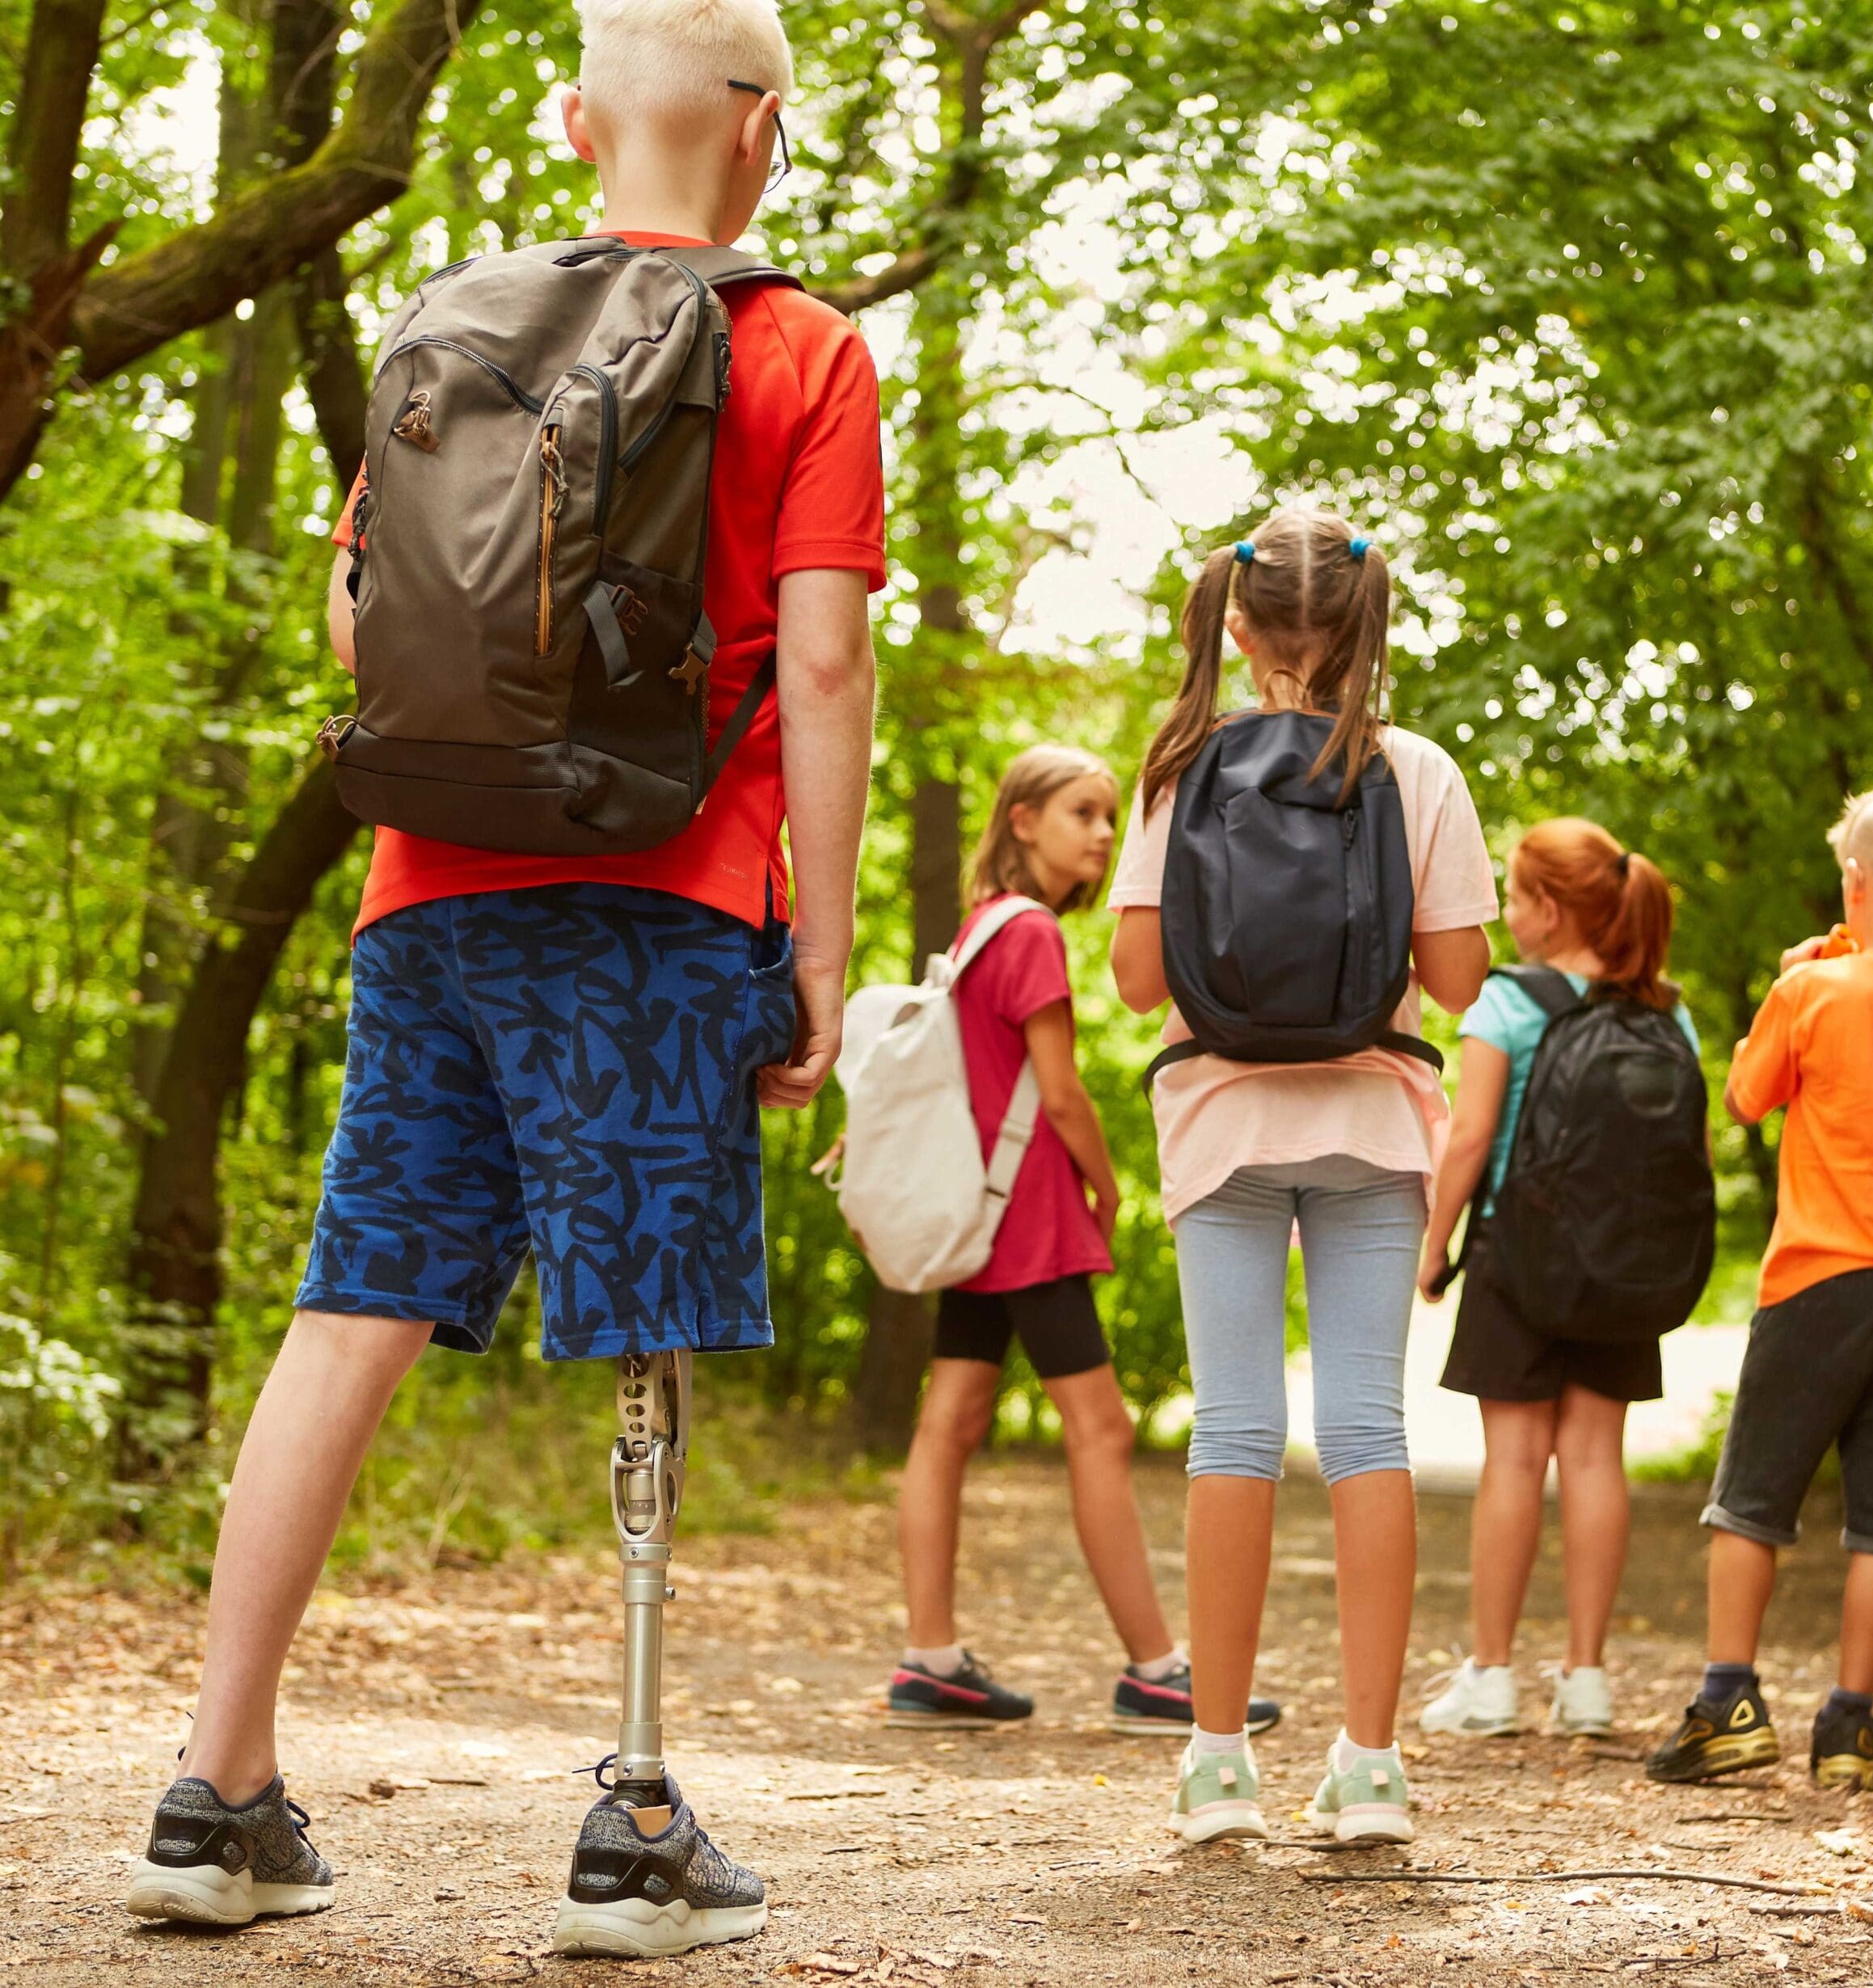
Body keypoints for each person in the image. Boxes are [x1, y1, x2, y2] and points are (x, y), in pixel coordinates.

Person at [124, 0, 883, 1956]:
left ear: (569, 122)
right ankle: (631, 1824)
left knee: (352, 1304)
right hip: (655, 892)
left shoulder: (450, 327)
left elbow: (354, 609)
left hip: (425, 891)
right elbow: (817, 664)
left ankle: (218, 1797)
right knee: (642, 1322)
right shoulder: (796, 344)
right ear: (767, 135)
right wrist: (818, 940)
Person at [1108, 509, 1496, 1844]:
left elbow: (1140, 976)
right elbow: (1455, 980)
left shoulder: (1180, 764)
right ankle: (1373, 1765)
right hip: (1374, 1123)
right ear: (1368, 622)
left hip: (1219, 1119)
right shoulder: (1418, 768)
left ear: (1238, 622)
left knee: (1233, 1430)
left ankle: (1219, 1762)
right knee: (1368, 1429)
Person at [887, 746, 1278, 1741]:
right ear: (1020, 819)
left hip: (976, 1210)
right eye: (1081, 811)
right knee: (1099, 1430)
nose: (1103, 833)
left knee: (950, 1420)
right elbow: (1058, 1093)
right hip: (1030, 1215)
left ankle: (929, 1658)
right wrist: (1106, 1182)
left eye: (1109, 816)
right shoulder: (1030, 935)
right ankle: (1154, 1669)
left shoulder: (977, 931)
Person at [1647, 782, 1873, 1792]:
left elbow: (1746, 1093)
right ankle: (1850, 1727)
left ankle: (1728, 1698)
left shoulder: (1811, 991)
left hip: (1819, 1277)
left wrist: (1788, 981)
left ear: (1853, 884)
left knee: (1752, 1499)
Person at [1415, 819, 1702, 1741]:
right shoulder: (1664, 1008)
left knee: (1513, 1459)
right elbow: (1684, 1155)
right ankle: (1586, 1680)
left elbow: (1469, 1137)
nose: (1504, 908)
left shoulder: (1507, 1001)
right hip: (1620, 1262)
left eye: (1511, 891)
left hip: (1518, 1257)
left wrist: (1434, 1242)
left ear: (1545, 909)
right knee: (1592, 1456)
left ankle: (1491, 1677)